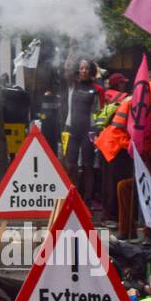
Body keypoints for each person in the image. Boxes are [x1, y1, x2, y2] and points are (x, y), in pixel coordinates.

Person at [97, 80, 151, 224]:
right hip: (113, 147)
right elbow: (116, 130)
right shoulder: (129, 104)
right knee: (114, 183)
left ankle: (123, 218)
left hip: (129, 149)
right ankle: (110, 217)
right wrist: (132, 146)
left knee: (124, 182)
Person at [62, 60, 105, 202]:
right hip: (71, 130)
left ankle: (87, 201)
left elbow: (98, 112)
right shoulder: (72, 86)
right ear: (78, 70)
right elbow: (67, 68)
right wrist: (72, 47)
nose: (84, 71)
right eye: (81, 68)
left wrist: (97, 130)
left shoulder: (95, 89)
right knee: (71, 165)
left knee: (88, 166)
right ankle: (73, 197)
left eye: (87, 68)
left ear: (91, 71)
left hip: (88, 132)